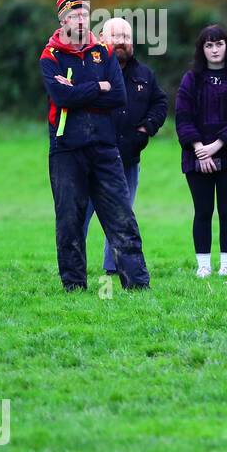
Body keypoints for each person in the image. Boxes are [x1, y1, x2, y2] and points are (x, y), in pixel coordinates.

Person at [39, 0, 150, 290]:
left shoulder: (103, 52)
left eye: (85, 14)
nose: (80, 20)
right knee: (70, 220)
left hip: (103, 147)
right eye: (74, 15)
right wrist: (95, 88)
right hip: (66, 148)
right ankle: (74, 286)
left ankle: (137, 284)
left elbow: (117, 95)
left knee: (121, 217)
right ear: (63, 20)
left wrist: (80, 93)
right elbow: (60, 95)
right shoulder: (50, 56)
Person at [82, 17, 167, 275]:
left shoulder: (145, 75)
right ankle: (75, 269)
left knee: (121, 215)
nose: (121, 41)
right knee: (79, 216)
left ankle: (113, 268)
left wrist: (146, 128)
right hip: (91, 157)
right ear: (102, 40)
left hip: (128, 160)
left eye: (126, 37)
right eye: (115, 36)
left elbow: (161, 103)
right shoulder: (89, 70)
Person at [174, 25, 227, 278]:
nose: (215, 49)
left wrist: (216, 146)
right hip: (196, 155)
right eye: (209, 45)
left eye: (219, 44)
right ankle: (203, 266)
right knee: (203, 211)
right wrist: (199, 148)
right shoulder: (191, 79)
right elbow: (182, 117)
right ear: (202, 49)